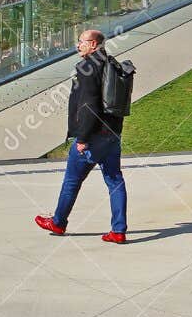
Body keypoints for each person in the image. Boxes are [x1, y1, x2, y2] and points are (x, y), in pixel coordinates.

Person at [36, 30, 128, 244]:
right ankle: (119, 230)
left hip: (92, 136)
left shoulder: (87, 69)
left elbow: (88, 106)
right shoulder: (111, 63)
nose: (77, 46)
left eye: (81, 42)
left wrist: (83, 139)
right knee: (115, 181)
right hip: (112, 134)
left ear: (93, 44)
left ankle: (58, 223)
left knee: (72, 180)